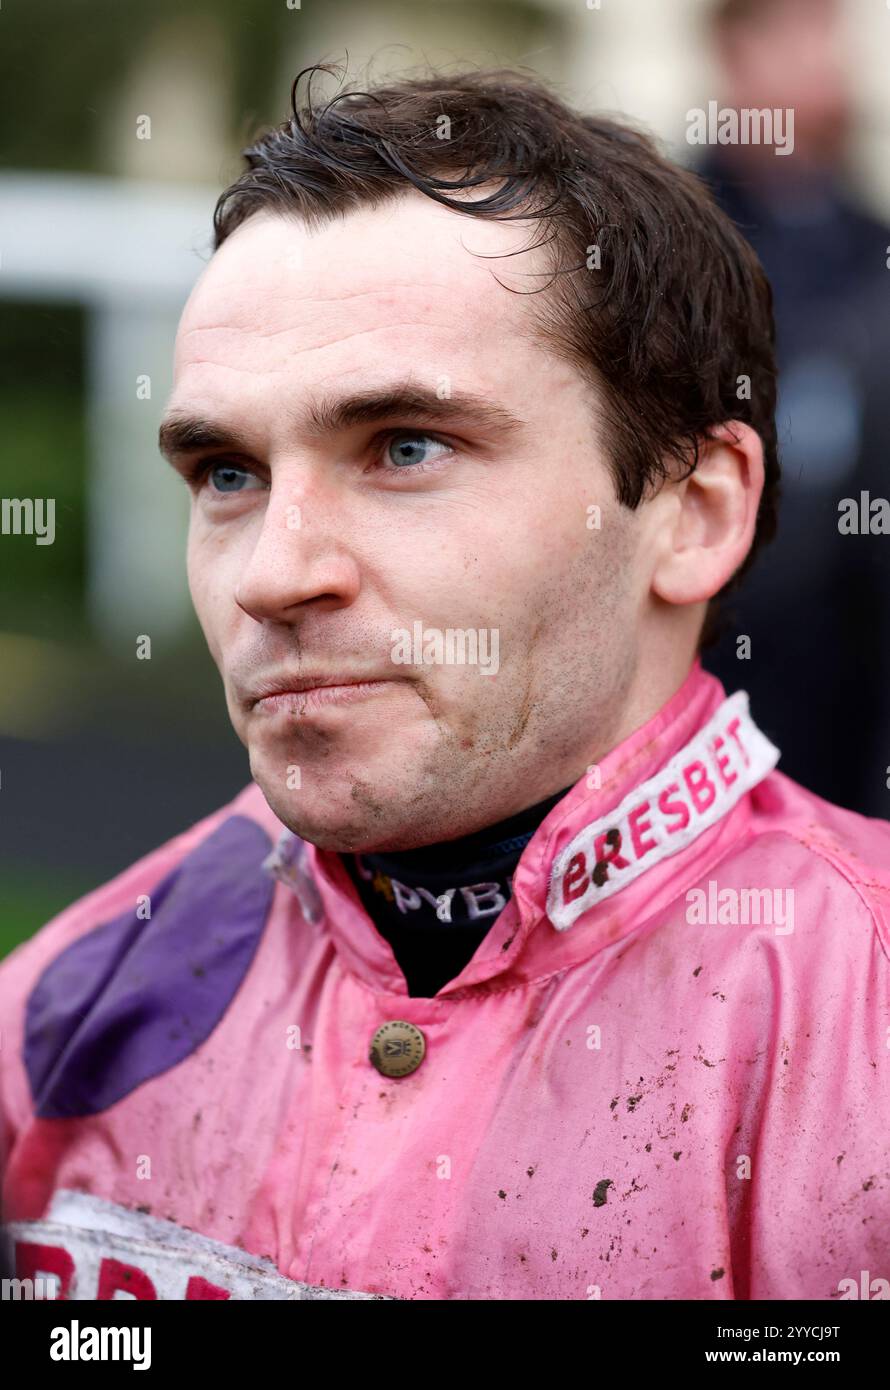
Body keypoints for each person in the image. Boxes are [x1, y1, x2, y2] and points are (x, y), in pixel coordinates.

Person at [1, 66, 888, 1302]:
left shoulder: (864, 1031)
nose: (273, 572)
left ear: (691, 512)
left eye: (405, 448)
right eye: (224, 472)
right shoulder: (61, 1005)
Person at [699, 0, 890, 814]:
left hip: (858, 679)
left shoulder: (867, 243)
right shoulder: (682, 234)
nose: (825, 57)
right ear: (735, 54)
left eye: (829, 30)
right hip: (729, 669)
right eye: (796, 30)